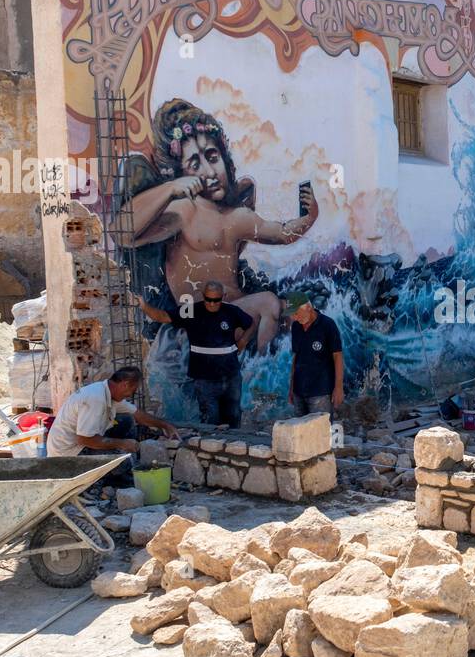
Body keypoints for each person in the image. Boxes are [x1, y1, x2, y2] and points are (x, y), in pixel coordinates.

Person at [119, 99, 319, 350]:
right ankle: (258, 375)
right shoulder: (183, 212)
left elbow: (279, 234)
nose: (210, 172)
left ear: (224, 158)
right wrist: (169, 189)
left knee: (297, 308)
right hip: (200, 317)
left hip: (236, 311)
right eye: (195, 164)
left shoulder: (237, 216)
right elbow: (123, 232)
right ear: (181, 173)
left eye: (213, 158)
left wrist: (309, 218)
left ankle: (278, 375)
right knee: (268, 303)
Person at [138, 282, 251, 427]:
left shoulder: (232, 311)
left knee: (233, 417)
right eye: (208, 299)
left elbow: (251, 324)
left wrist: (244, 340)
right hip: (204, 380)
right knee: (210, 420)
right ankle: (211, 447)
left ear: (224, 297)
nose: (211, 304)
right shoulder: (191, 311)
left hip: (231, 377)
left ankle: (235, 445)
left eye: (216, 300)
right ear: (203, 296)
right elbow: (163, 316)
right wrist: (144, 306)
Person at [46, 367, 179, 459]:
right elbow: (84, 439)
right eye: (132, 391)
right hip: (70, 453)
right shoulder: (95, 399)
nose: (131, 395)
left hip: (81, 441)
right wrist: (122, 444)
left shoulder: (109, 393)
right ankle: (109, 481)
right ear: (125, 385)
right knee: (121, 459)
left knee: (126, 420)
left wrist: (165, 426)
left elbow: (137, 414)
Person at [286, 292, 343, 417]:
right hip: (299, 391)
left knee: (321, 433)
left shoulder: (328, 325)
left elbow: (337, 356)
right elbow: (296, 358)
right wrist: (292, 388)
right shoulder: (296, 327)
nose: (295, 318)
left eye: (296, 313)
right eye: (292, 314)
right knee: (300, 433)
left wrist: (338, 387)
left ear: (308, 308)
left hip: (321, 392)